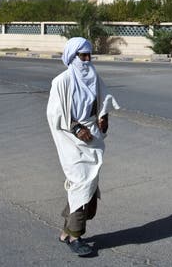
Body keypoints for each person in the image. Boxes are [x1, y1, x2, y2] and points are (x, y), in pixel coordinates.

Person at [47, 37, 119, 257]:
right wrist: (76, 128)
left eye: (89, 56)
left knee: (88, 184)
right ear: (72, 57)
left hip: (92, 137)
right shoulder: (62, 81)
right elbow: (54, 114)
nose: (87, 60)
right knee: (81, 183)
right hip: (71, 139)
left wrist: (103, 116)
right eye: (82, 56)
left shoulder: (94, 76)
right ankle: (75, 237)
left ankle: (66, 232)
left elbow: (103, 98)